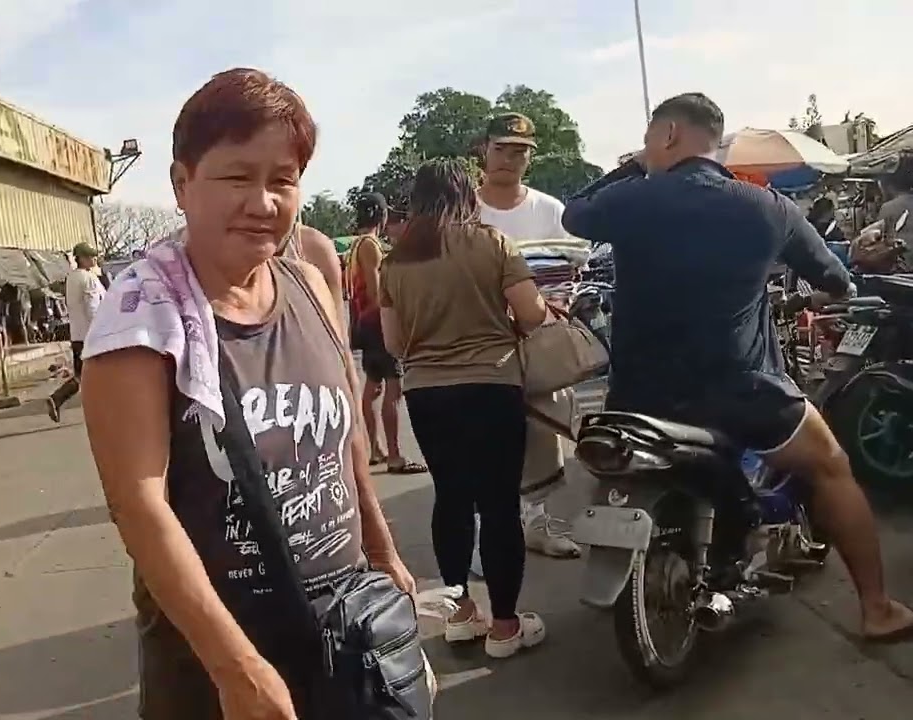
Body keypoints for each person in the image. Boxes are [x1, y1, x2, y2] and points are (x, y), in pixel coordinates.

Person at [82, 68, 413, 719]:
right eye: (237, 177)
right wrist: (236, 669)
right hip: (214, 650)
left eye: (281, 180)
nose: (262, 202)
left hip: (340, 624)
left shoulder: (310, 288)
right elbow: (140, 508)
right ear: (183, 184)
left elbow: (345, 433)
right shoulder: (141, 320)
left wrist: (381, 549)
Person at [562, 91, 913, 642]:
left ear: (669, 134)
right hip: (739, 392)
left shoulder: (630, 200)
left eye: (651, 138)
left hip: (637, 396)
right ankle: (877, 608)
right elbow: (835, 278)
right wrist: (825, 294)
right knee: (831, 465)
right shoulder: (766, 206)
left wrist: (630, 166)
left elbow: (574, 212)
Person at [379, 158, 549, 657]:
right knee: (498, 506)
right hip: (491, 384)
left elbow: (393, 344)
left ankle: (461, 613)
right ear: (464, 195)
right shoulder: (491, 243)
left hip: (426, 394)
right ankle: (504, 625)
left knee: (450, 498)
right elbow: (533, 314)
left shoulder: (395, 261)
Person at [473, 112, 581, 559]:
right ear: (484, 150)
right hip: (479, 341)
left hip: (539, 339)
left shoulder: (549, 210)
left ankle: (535, 522)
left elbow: (572, 271)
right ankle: (488, 533)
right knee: (485, 438)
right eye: (502, 149)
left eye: (520, 152)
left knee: (542, 431)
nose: (510, 159)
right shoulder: (464, 210)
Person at [345, 193, 425, 474]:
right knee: (393, 388)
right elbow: (378, 292)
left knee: (373, 386)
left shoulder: (355, 245)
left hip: (363, 325)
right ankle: (394, 455)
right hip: (378, 324)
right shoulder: (371, 246)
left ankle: (376, 449)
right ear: (381, 216)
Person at [46, 242, 106, 421]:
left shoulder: (71, 278)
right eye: (89, 256)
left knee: (83, 375)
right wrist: (100, 330)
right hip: (91, 335)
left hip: (77, 334)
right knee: (100, 373)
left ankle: (58, 398)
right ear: (80, 258)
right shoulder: (88, 279)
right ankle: (102, 410)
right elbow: (93, 308)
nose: (93, 259)